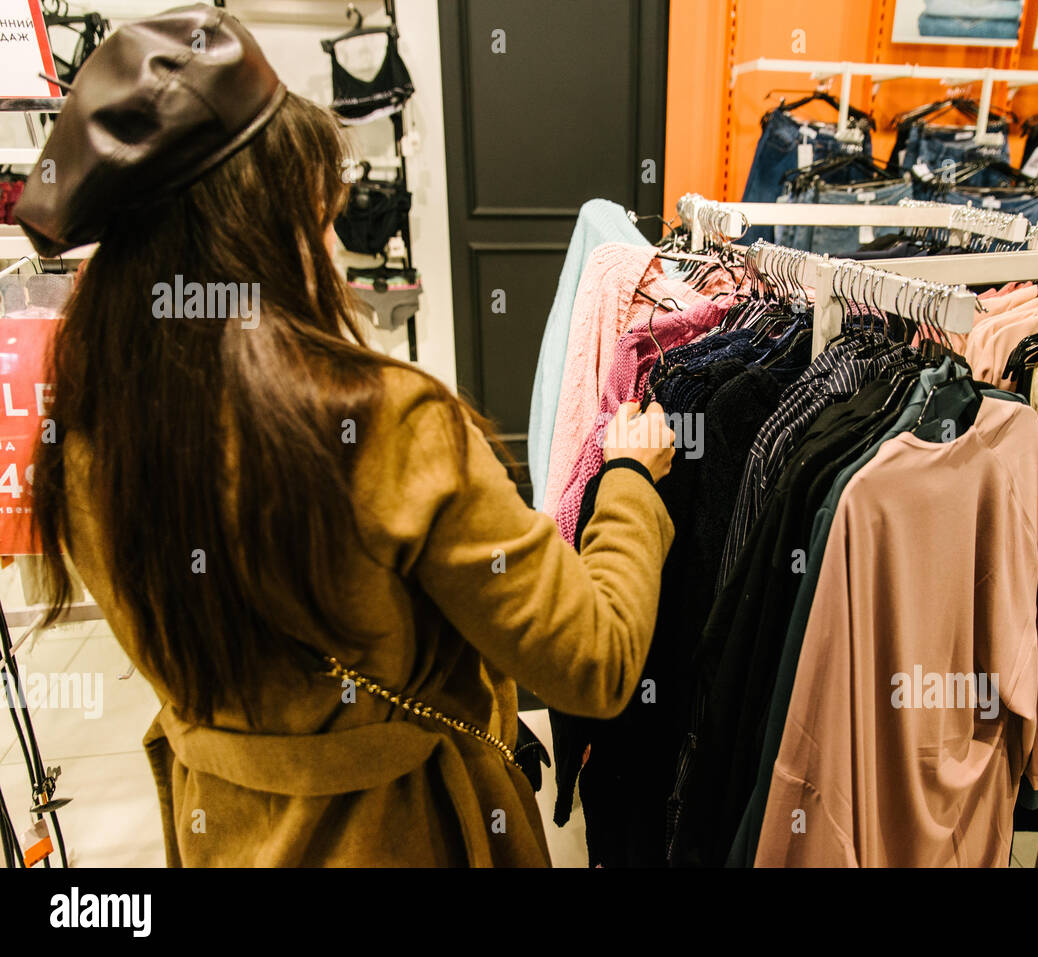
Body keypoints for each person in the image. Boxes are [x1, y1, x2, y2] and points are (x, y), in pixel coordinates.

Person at [16, 4, 676, 866]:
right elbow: (592, 659)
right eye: (319, 212)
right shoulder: (386, 427)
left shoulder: (88, 427)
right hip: (404, 834)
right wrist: (629, 480)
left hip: (224, 827)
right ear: (264, 228)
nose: (334, 241)